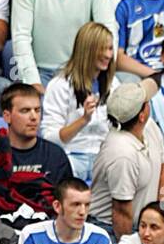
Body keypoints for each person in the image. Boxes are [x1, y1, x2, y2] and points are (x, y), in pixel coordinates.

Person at [0, 83, 73, 230]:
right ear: (7, 116)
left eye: (37, 110)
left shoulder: (56, 156)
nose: (34, 117)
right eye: (25, 111)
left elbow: (67, 204)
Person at [40, 22, 115, 185]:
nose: (108, 55)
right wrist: (83, 120)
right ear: (87, 50)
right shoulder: (60, 85)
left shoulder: (113, 84)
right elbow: (50, 139)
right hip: (71, 156)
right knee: (58, 173)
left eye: (110, 49)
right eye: (103, 49)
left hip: (103, 157)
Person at [90, 81, 164, 238]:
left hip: (146, 226)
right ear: (142, 115)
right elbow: (121, 213)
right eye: (146, 102)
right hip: (111, 230)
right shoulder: (122, 154)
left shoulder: (150, 127)